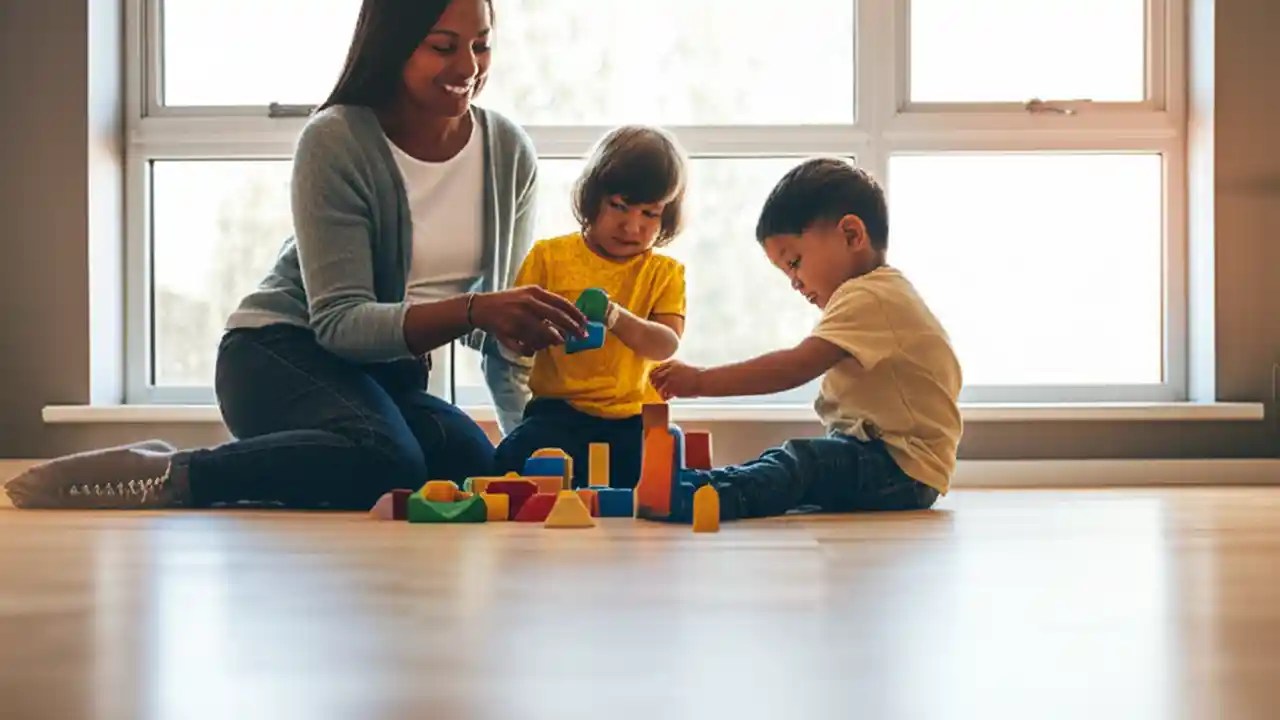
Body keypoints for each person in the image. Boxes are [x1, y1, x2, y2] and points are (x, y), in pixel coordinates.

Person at [5, 0, 587, 511]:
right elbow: (340, 324)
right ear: (394, 43)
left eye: (481, 45)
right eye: (443, 46)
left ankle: (317, 456)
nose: (468, 68)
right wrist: (476, 310)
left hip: (383, 376)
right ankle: (168, 474)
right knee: (388, 461)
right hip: (279, 353)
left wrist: (525, 438)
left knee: (473, 468)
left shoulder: (508, 152)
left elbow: (498, 340)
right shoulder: (337, 140)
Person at [651, 158, 962, 520]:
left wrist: (700, 380)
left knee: (802, 462)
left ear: (851, 235)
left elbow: (793, 367)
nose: (795, 283)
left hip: (899, 466)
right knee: (808, 466)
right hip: (892, 464)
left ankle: (705, 494)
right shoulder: (882, 295)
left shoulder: (869, 297)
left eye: (794, 263)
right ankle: (715, 486)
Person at [493, 126, 689, 488]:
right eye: (619, 206)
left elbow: (665, 344)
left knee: (662, 468)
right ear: (593, 197)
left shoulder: (664, 272)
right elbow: (513, 334)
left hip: (631, 415)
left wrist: (614, 316)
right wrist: (536, 333)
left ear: (667, 216)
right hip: (557, 410)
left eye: (650, 213)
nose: (632, 226)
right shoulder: (549, 256)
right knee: (513, 459)